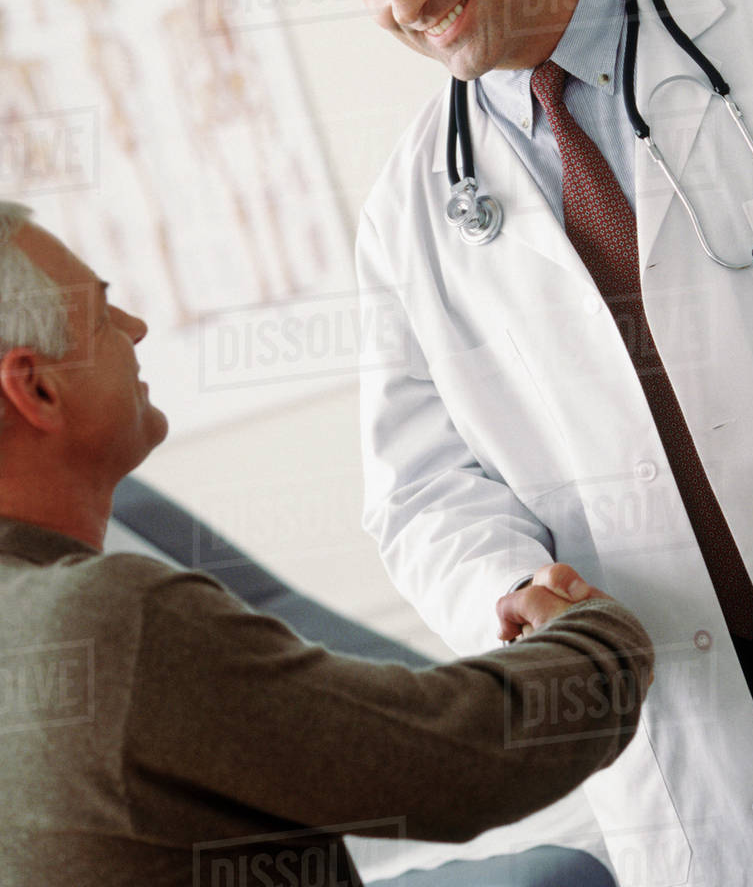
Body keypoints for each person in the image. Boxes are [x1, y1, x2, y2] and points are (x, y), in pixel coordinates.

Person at [282, 0, 753, 886]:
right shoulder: (409, 212)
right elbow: (418, 486)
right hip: (691, 708)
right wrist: (503, 586)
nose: (400, 5)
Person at [0, 199, 652, 886]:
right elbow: (450, 762)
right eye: (103, 318)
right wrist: (598, 638)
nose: (137, 328)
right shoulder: (108, 620)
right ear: (36, 387)